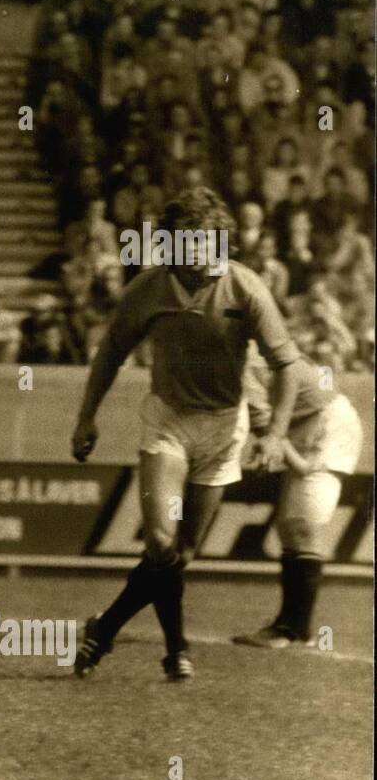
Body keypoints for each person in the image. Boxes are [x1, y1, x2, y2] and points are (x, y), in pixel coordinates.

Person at [71, 188, 301, 680]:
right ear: (169, 244)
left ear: (220, 240)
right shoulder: (147, 290)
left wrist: (276, 433)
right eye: (184, 240)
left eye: (204, 239)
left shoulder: (245, 288)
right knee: (159, 541)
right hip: (168, 422)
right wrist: (86, 417)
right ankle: (176, 648)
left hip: (224, 426)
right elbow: (110, 353)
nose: (194, 249)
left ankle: (104, 629)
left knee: (183, 554)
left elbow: (289, 366)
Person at [233, 353, 364, 648]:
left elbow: (264, 418)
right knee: (290, 527)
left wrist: (273, 446)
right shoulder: (247, 351)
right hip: (313, 422)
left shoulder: (239, 360)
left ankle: (292, 629)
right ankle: (290, 625)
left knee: (302, 526)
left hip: (326, 425)